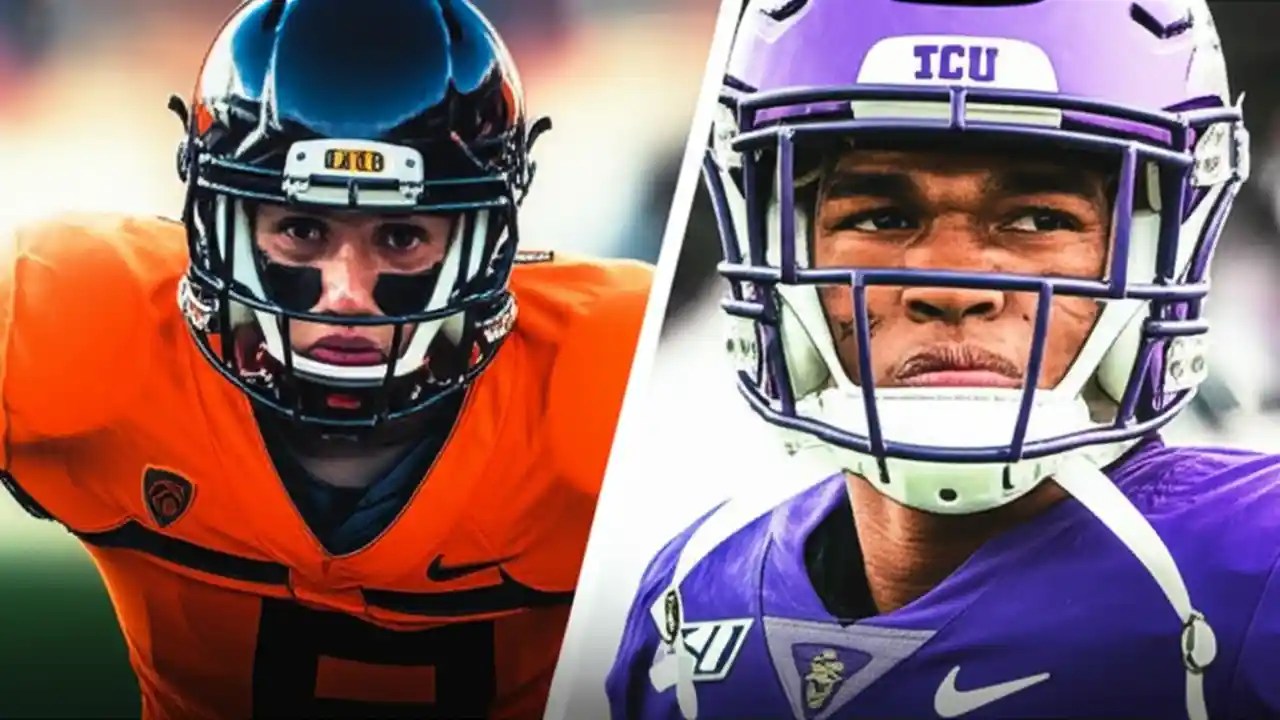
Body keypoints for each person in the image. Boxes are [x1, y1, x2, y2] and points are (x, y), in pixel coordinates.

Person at [605, 1, 1280, 718]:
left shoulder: (1257, 564)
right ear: (784, 243)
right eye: (882, 218)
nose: (953, 284)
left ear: (1149, 249)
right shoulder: (688, 592)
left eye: (1038, 220)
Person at [0, 1, 651, 718]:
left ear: (484, 243)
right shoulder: (79, 318)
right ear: (220, 225)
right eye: (302, 229)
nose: (345, 293)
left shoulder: (609, 369)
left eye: (400, 237)